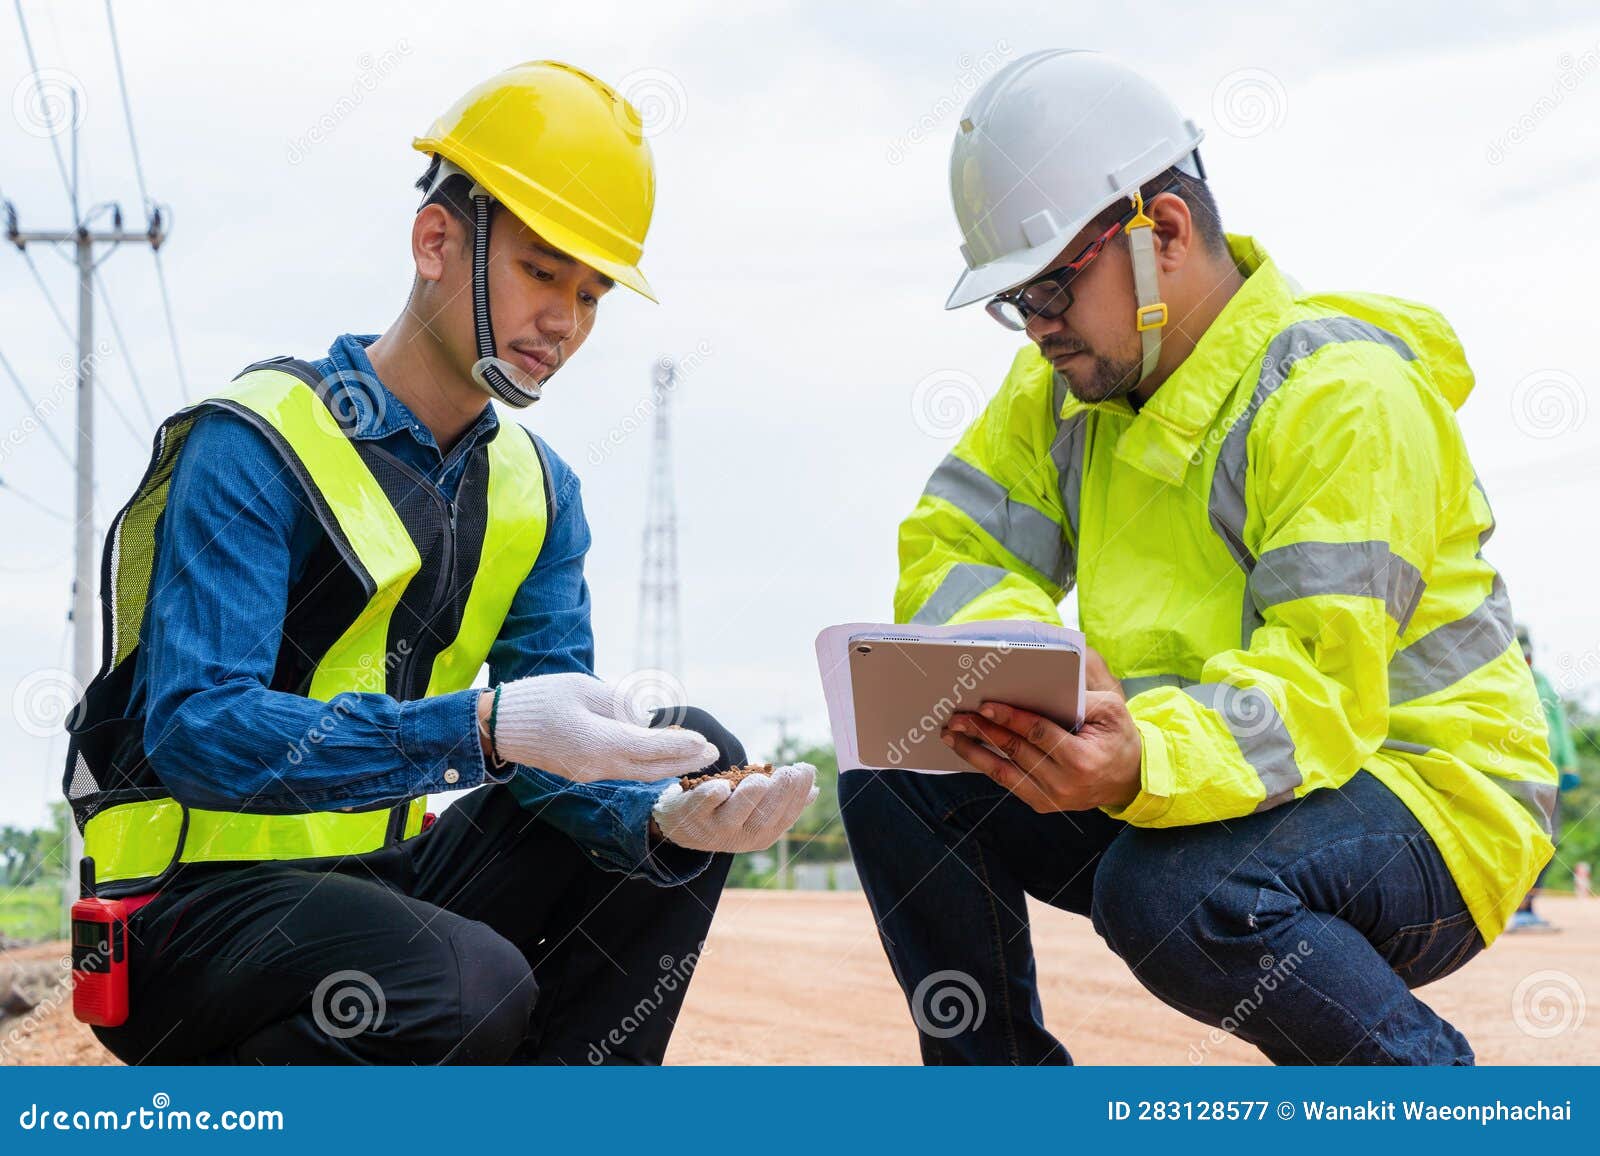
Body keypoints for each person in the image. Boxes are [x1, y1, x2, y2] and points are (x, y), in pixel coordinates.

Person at [64, 60, 815, 1065]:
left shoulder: (537, 494)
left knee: (687, 749)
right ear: (435, 242)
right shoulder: (256, 444)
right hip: (192, 912)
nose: (566, 322)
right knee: (463, 984)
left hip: (378, 878)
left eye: (592, 295)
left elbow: (560, 759)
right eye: (543, 273)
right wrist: (479, 727)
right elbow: (200, 729)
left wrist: (660, 821)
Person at [840, 49, 1557, 1065]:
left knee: (1175, 894)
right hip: (1194, 771)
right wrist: (1015, 658)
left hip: (1425, 794)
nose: (1035, 330)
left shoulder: (1339, 398)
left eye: (1048, 290)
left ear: (1162, 233)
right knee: (897, 766)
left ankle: (1428, 1094)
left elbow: (1315, 691)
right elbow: (954, 544)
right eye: (1017, 305)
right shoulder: (1065, 391)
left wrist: (1143, 756)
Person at [1508, 624, 1580, 932]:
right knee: (1516, 839)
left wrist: (1570, 764)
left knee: (1548, 841)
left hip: (1548, 775)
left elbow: (1560, 728)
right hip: (1515, 774)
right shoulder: (1503, 683)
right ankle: (1510, 908)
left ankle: (1527, 908)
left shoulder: (1544, 685)